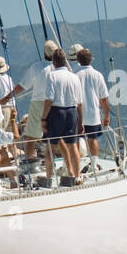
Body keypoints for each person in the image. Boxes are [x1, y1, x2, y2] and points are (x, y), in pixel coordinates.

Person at [43, 48, 83, 183]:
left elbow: (49, 99)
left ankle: (48, 177)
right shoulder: (74, 77)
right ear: (65, 61)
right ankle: (77, 176)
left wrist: (43, 118)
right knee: (72, 145)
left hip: (56, 112)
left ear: (54, 62)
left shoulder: (52, 76)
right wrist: (80, 121)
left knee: (51, 146)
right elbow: (79, 102)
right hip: (72, 112)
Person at [17, 40, 59, 165]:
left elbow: (22, 86)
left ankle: (30, 164)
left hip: (39, 103)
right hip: (56, 104)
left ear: (44, 53)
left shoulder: (36, 67)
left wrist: (7, 97)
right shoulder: (59, 68)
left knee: (31, 137)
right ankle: (59, 163)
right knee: (58, 136)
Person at [74, 48, 111, 162]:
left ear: (78, 60)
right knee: (92, 138)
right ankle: (94, 164)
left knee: (75, 140)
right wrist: (106, 115)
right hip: (93, 113)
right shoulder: (98, 75)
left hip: (77, 114)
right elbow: (104, 98)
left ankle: (77, 164)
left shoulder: (75, 75)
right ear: (91, 59)